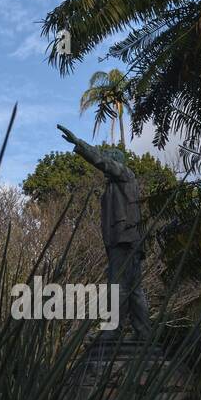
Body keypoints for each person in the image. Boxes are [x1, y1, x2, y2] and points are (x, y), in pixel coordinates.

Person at [56, 124, 151, 341]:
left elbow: (102, 161)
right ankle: (144, 334)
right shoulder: (115, 186)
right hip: (123, 241)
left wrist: (79, 143)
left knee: (118, 286)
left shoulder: (125, 174)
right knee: (133, 289)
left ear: (117, 162)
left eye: (109, 159)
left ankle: (113, 330)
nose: (104, 163)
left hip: (125, 240)